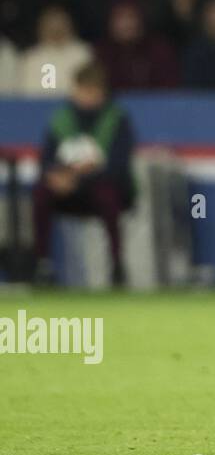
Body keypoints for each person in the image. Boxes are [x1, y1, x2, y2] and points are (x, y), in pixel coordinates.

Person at [33, 61, 136, 287]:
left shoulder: (117, 119)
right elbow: (46, 161)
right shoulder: (61, 119)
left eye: (93, 90)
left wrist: (79, 179)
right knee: (41, 195)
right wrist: (56, 177)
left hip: (100, 186)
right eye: (83, 90)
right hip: (66, 188)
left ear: (102, 92)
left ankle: (117, 267)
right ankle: (43, 265)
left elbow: (118, 166)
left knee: (109, 197)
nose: (88, 96)